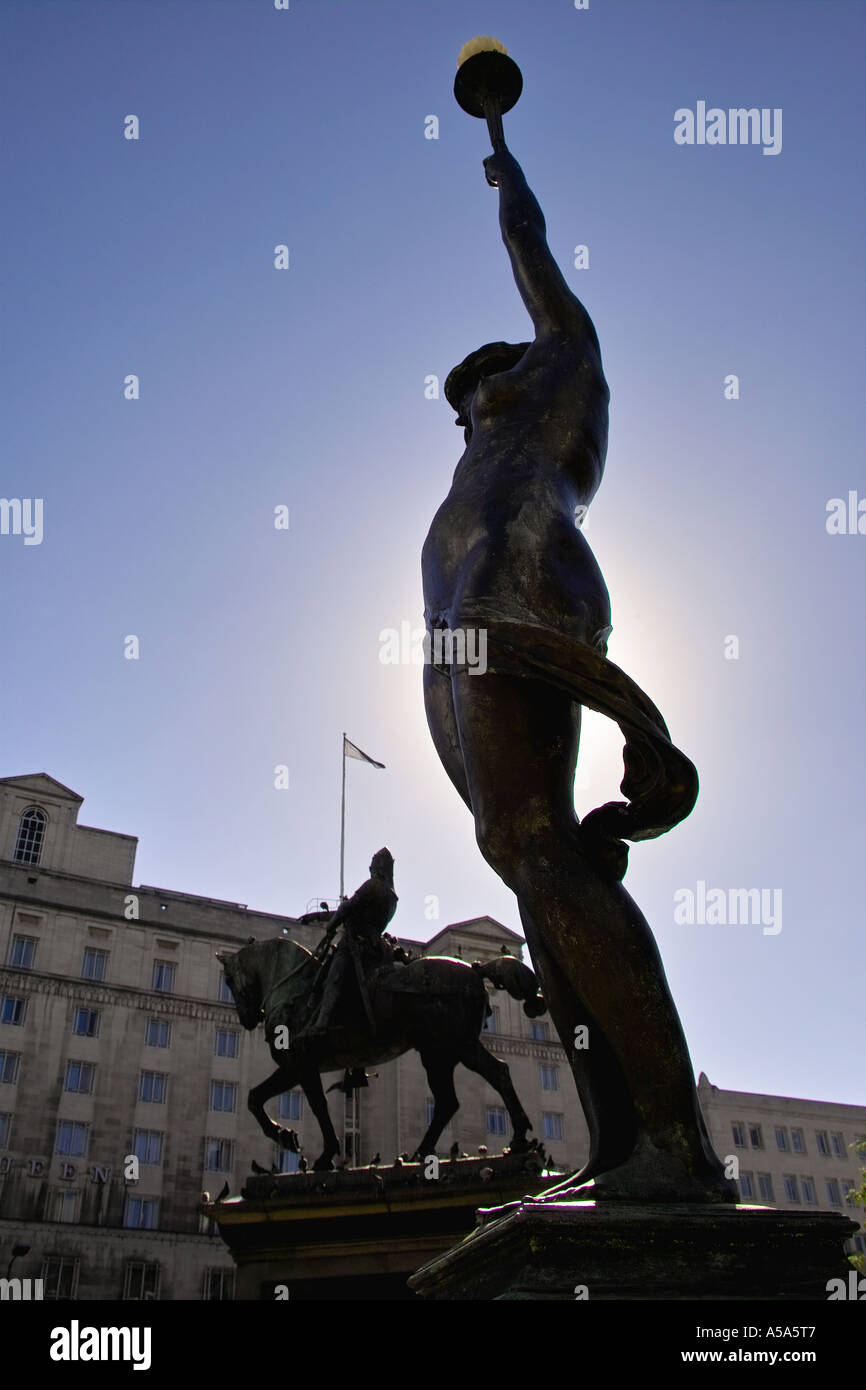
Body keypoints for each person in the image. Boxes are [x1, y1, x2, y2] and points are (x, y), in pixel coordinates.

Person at [421, 145, 734, 1202]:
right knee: (522, 852)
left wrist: (505, 172)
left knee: (546, 852)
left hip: (525, 591)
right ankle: (618, 1148)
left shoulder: (564, 370)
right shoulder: (472, 458)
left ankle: (676, 1148)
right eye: (461, 398)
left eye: (486, 380)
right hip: (458, 629)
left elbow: (530, 251)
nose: (472, 399)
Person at [301, 848, 398, 1038]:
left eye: (372, 865)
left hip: (358, 944)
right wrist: (318, 916)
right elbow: (353, 911)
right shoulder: (392, 895)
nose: (370, 869)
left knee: (333, 975)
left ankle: (321, 1023)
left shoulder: (373, 886)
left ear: (378, 866)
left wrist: (330, 925)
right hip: (377, 946)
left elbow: (348, 908)